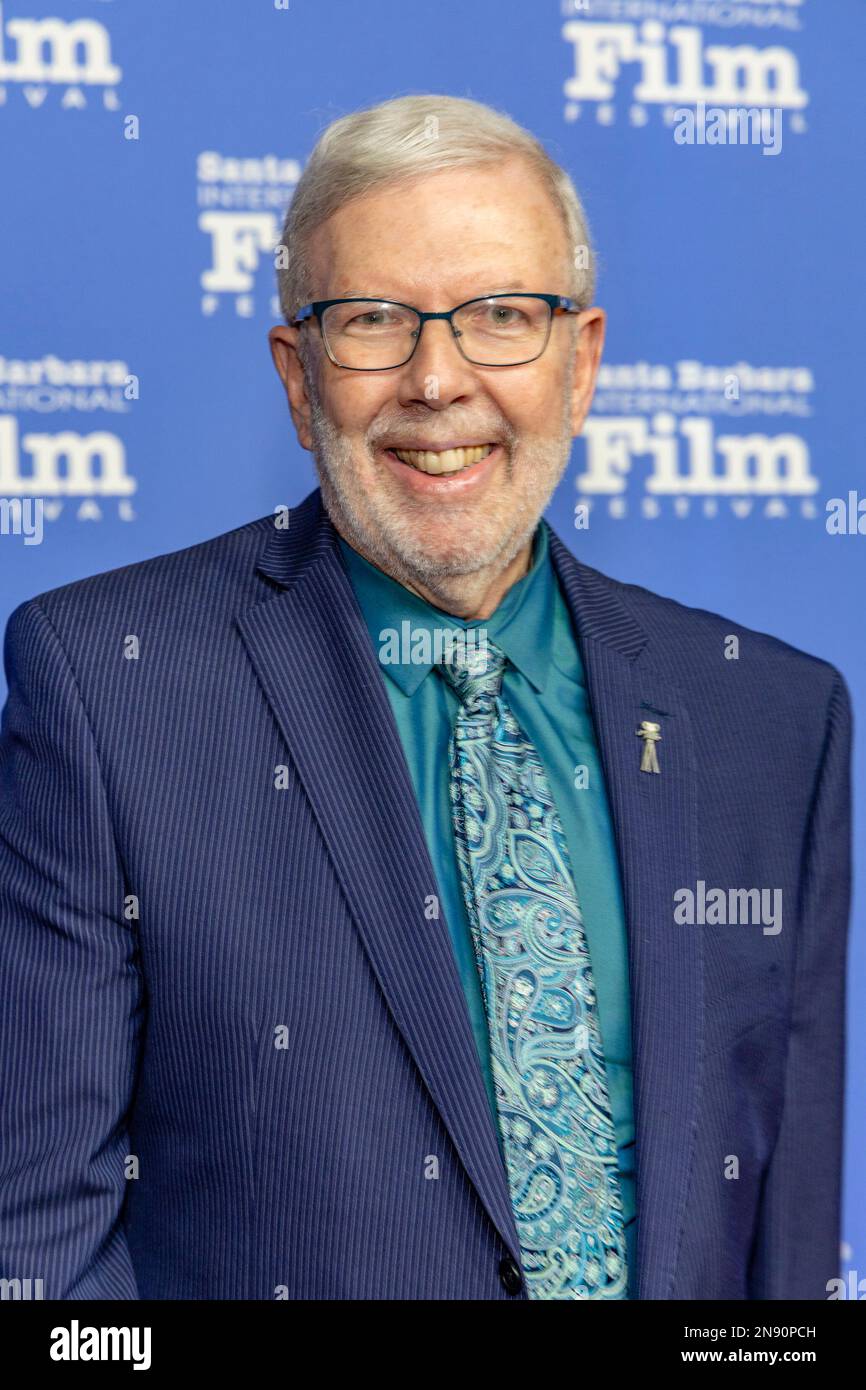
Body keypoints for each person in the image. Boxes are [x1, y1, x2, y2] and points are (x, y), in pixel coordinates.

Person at [0, 94, 851, 1300]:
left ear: (581, 360)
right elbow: (38, 1254)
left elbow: (783, 1251)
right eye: (373, 323)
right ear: (299, 378)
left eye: (502, 315)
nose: (437, 379)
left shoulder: (775, 720)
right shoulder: (108, 684)